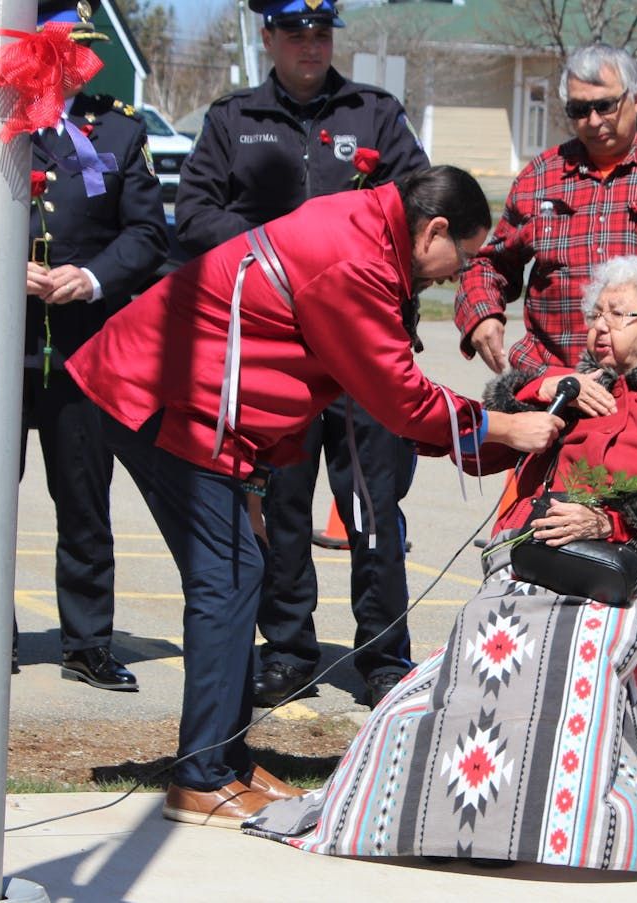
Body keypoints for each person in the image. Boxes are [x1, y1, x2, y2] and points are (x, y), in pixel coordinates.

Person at [65, 165, 564, 827]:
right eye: (462, 256)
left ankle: (227, 760)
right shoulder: (356, 260)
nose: (456, 273)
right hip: (161, 394)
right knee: (230, 578)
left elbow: (281, 367)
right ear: (433, 229)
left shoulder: (370, 236)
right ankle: (203, 775)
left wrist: (252, 487)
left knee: (241, 570)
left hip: (202, 411)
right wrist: (505, 427)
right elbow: (400, 398)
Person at [246, 255, 637, 874]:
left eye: (619, 315)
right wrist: (539, 394)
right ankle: (451, 812)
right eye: (595, 314)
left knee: (572, 652)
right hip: (552, 560)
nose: (599, 327)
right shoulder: (576, 391)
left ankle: (568, 824)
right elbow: (474, 452)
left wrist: (612, 517)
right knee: (479, 650)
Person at [454, 42, 637, 750]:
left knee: (635, 515)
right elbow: (489, 265)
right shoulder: (543, 176)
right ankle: (531, 698)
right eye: (578, 108)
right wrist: (486, 317)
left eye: (605, 104)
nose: (591, 120)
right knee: (540, 535)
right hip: (561, 391)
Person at [175, 0, 432, 711]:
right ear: (270, 38)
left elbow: (422, 208)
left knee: (371, 506)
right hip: (274, 353)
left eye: (322, 33)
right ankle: (288, 650)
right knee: (282, 507)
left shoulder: (375, 115)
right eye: (296, 33)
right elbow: (193, 217)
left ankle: (384, 654)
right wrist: (278, 243)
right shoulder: (233, 120)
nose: (311, 45)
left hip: (360, 351)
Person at [0, 0, 168, 687]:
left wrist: (91, 277)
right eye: (65, 48)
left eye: (83, 49)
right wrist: (1, 270)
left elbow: (149, 236)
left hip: (86, 349)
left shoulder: (118, 128)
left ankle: (87, 643)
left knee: (85, 498)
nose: (79, 61)